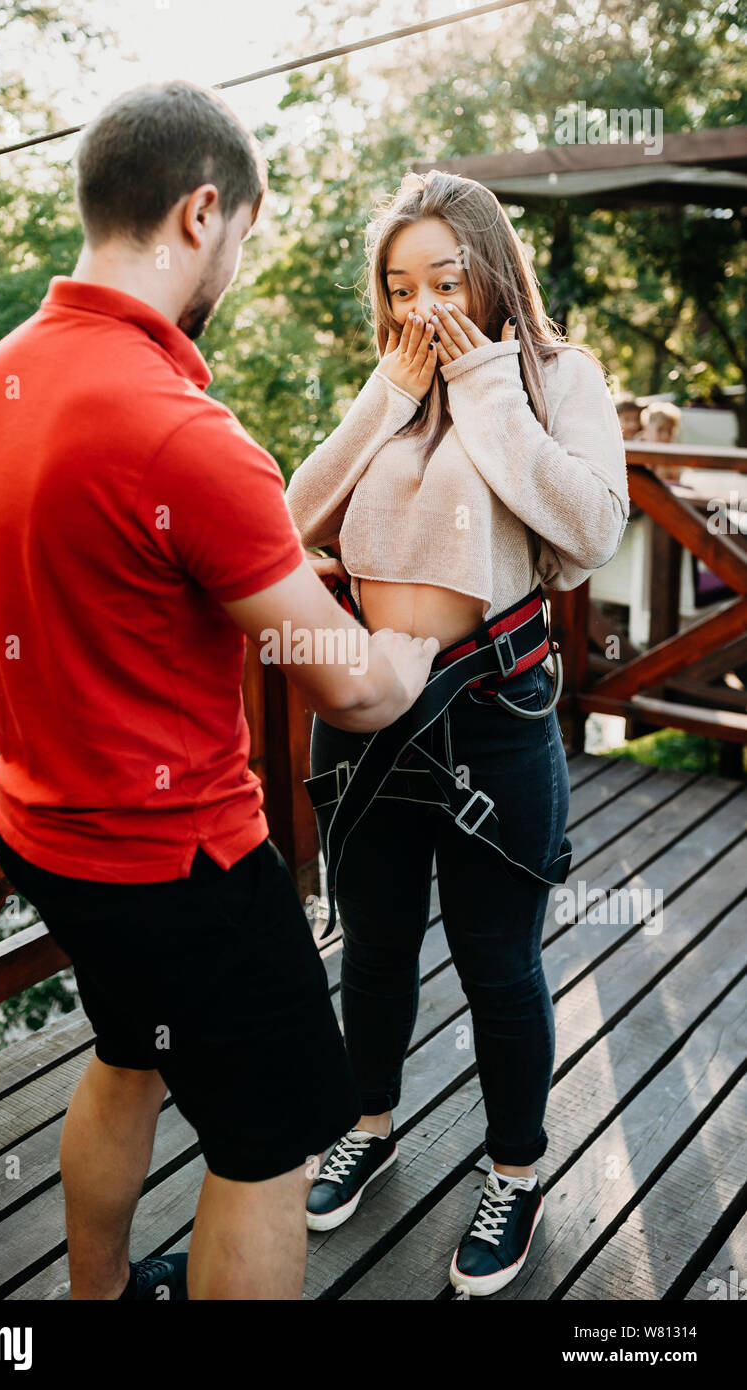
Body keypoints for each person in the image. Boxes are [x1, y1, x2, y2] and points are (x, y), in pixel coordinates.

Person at [0, 80, 440, 1302]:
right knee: (269, 1153)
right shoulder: (182, 432)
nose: (241, 265)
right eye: (249, 235)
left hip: (46, 838)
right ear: (203, 211)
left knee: (128, 1059)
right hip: (182, 868)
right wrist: (416, 629)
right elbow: (357, 696)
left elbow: (116, 584)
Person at [285, 170, 630, 1296]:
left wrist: (487, 391)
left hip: (492, 715)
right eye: (399, 284)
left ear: (488, 271)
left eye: (445, 278)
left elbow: (587, 530)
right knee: (374, 948)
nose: (423, 304)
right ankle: (367, 1121)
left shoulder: (554, 374)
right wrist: (385, 396)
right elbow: (289, 524)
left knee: (496, 961)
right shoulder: (388, 380)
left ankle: (514, 1171)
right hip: (368, 721)